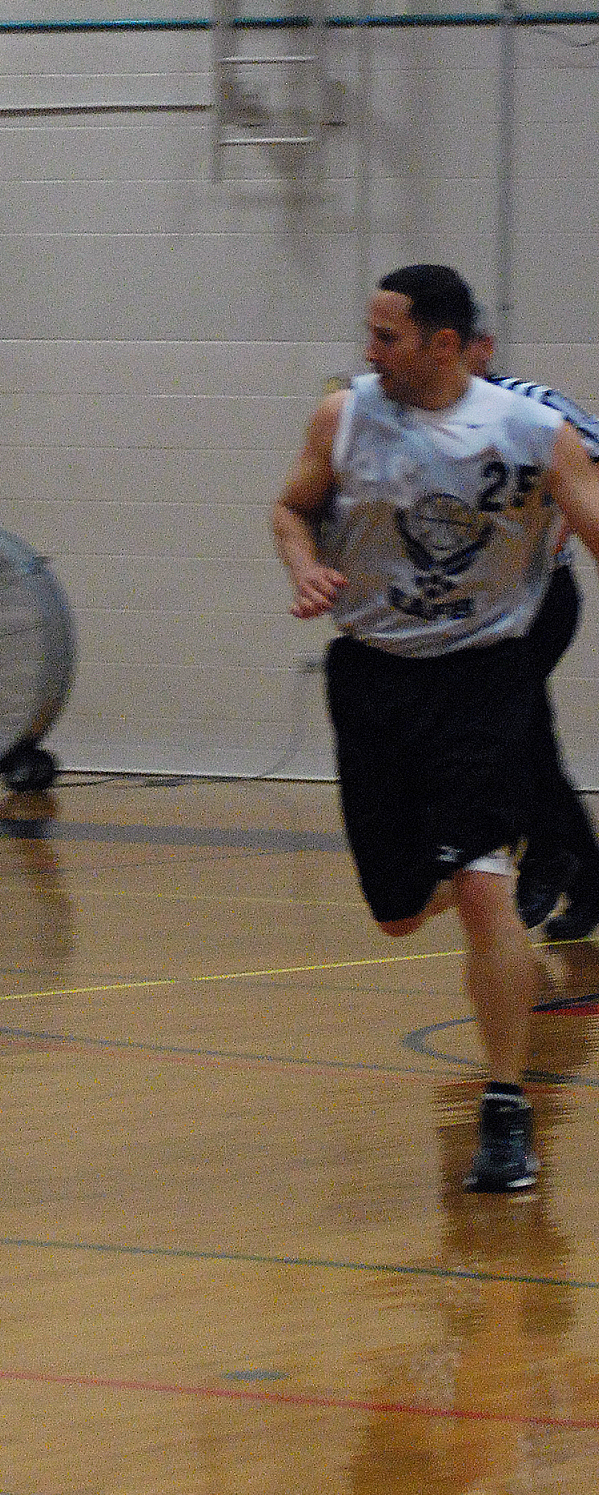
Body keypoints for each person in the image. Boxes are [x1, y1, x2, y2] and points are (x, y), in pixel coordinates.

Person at [273, 265, 599, 1193]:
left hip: (482, 675)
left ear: (444, 344)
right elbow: (288, 508)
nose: (369, 353)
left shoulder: (531, 433)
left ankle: (506, 1108)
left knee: (482, 885)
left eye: (387, 337)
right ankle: (482, 869)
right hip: (372, 677)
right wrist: (300, 562)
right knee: (396, 912)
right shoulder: (343, 417)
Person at [465, 328, 599, 941]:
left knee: (510, 735)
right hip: (460, 610)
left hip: (537, 602)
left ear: (477, 349)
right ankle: (581, 872)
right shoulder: (406, 421)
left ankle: (546, 854)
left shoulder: (531, 406)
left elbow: (591, 460)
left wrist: (573, 511)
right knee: (521, 743)